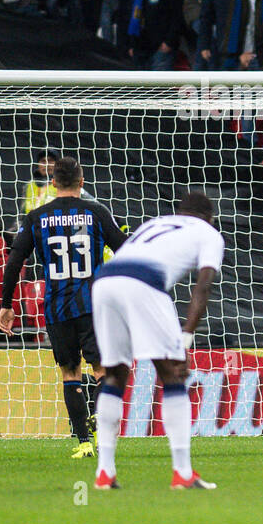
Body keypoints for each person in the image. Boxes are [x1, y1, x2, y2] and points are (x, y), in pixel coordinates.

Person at [89, 190, 224, 490]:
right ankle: (182, 472)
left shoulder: (157, 222)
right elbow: (203, 287)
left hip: (105, 280)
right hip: (143, 282)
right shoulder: (209, 233)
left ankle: (104, 472)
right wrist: (187, 334)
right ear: (209, 217)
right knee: (174, 373)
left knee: (114, 375)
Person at [0, 157, 128, 459]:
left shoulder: (37, 217)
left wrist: (6, 304)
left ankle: (83, 442)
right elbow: (124, 247)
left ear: (53, 183)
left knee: (70, 373)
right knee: (102, 370)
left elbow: (14, 262)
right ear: (81, 183)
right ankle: (102, 426)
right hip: (93, 304)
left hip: (57, 307)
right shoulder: (96, 211)